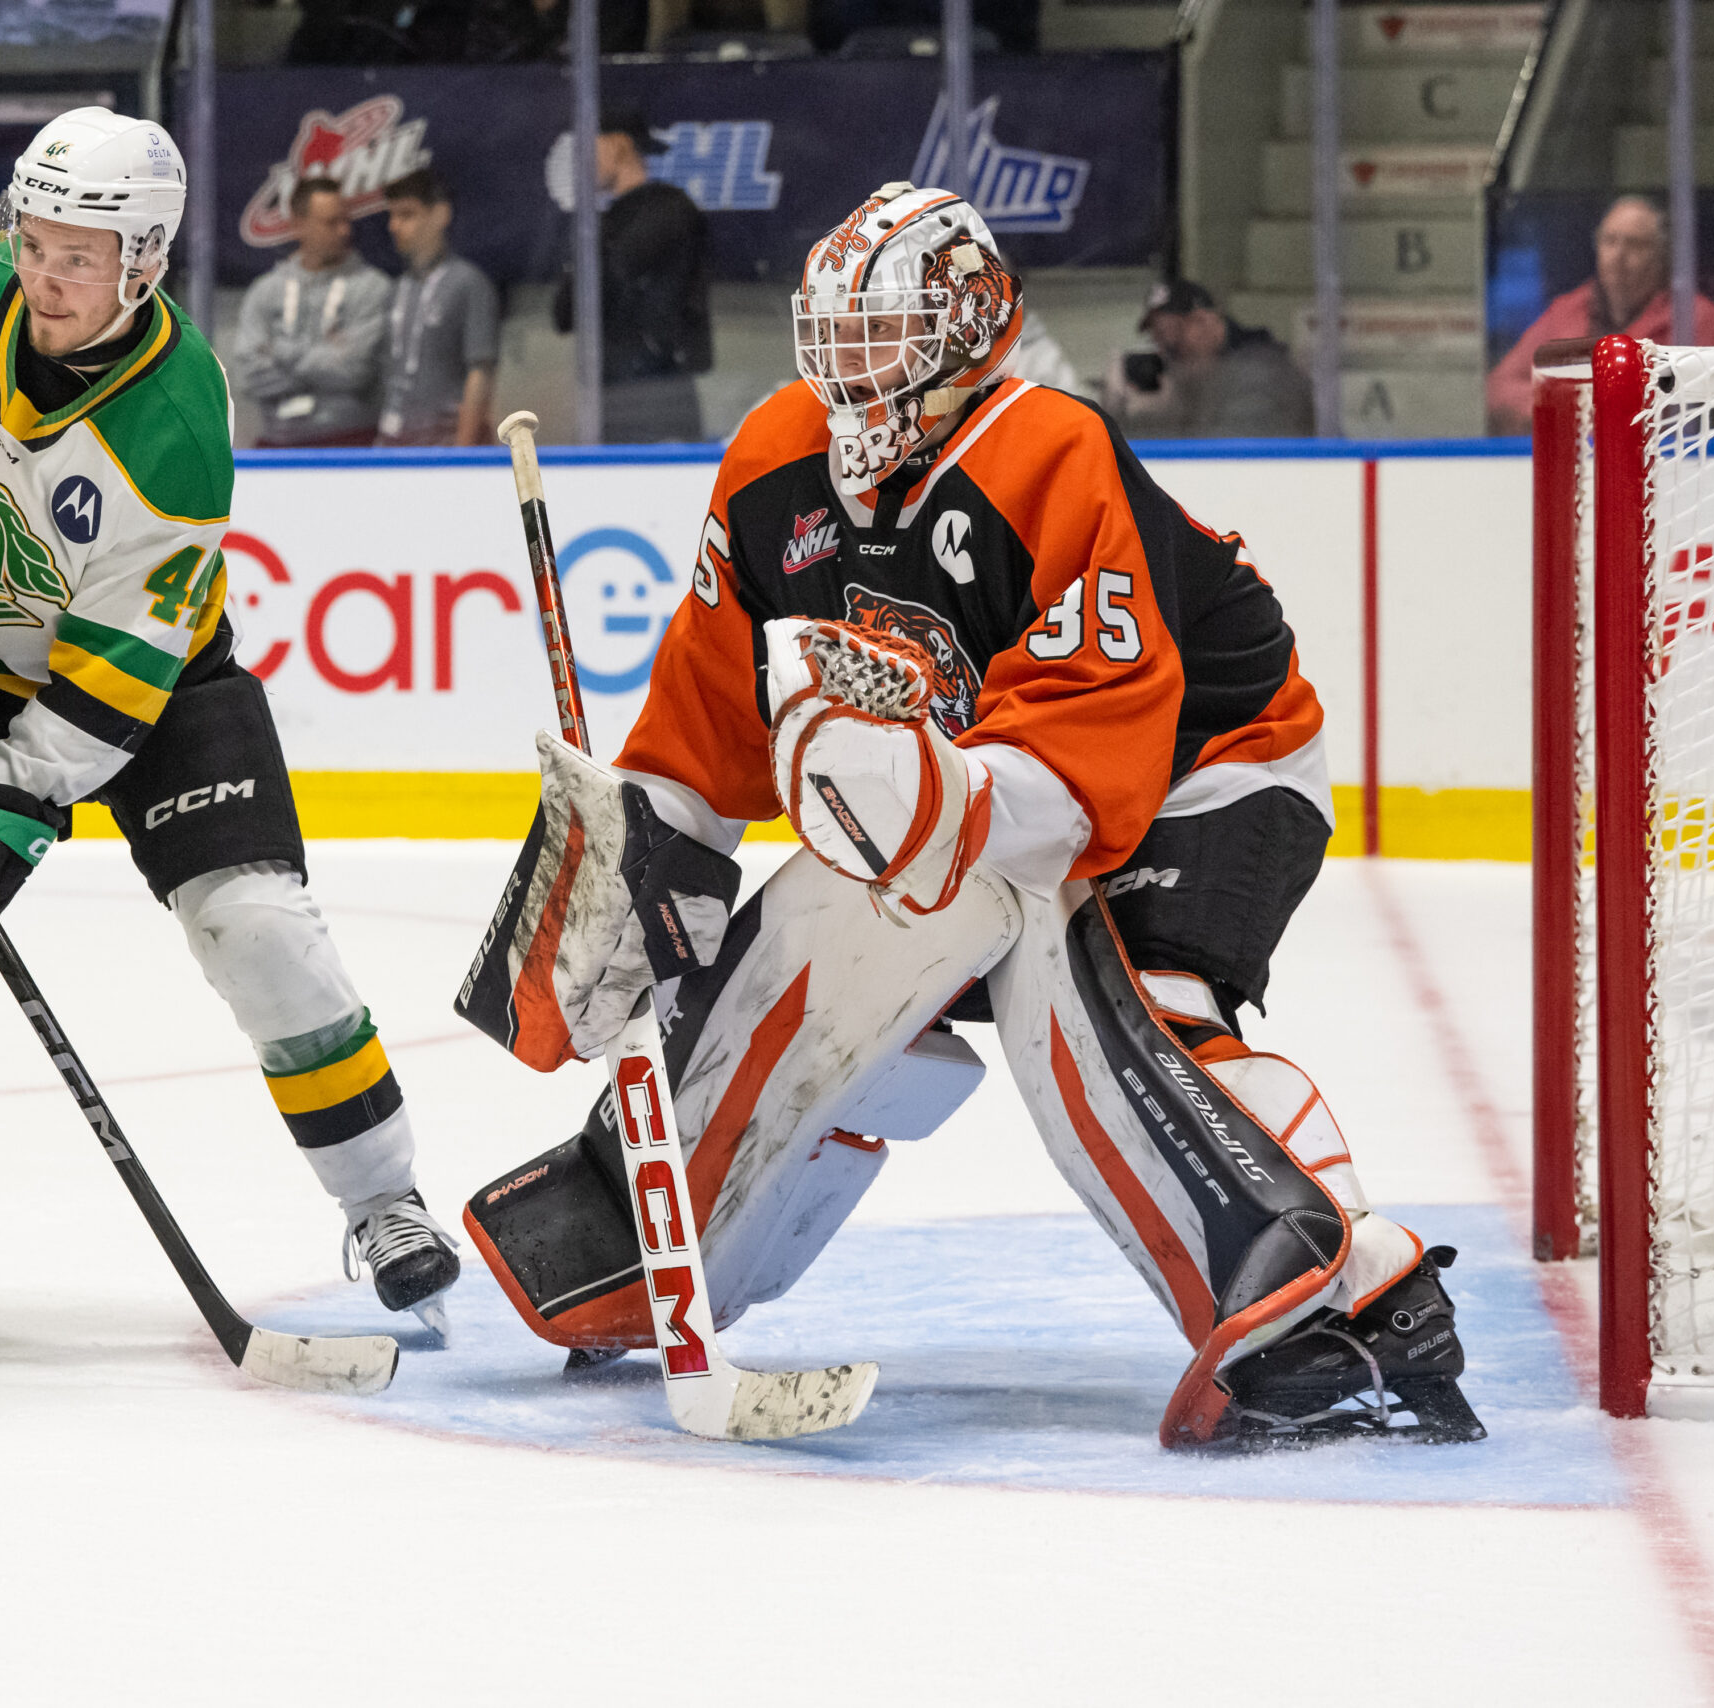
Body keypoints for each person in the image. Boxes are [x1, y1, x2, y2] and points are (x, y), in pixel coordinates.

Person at [459, 182, 1483, 1448]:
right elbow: (709, 720)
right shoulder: (776, 463)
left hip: (1204, 771)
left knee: (1121, 998)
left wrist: (924, 804)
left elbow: (1078, 775)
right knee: (814, 948)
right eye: (832, 335)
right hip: (984, 790)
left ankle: (1341, 1294)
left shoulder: (1048, 448)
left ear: (971, 324)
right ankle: (655, 1221)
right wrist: (637, 866)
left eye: (882, 336)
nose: (849, 370)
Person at [0, 108, 459, 1330]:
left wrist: (15, 809)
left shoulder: (177, 424)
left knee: (257, 927)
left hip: (156, 685)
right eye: (33, 242)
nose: (46, 274)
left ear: (145, 259)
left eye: (79, 254)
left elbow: (115, 670)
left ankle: (381, 1196)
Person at [1486, 193, 1714, 434]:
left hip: (1670, 466)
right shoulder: (1566, 312)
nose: (1618, 255)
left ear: (1660, 255)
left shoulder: (1697, 318)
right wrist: (1566, 406)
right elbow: (1500, 387)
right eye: (1610, 241)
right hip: (1577, 463)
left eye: (1634, 244)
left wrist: (1620, 408)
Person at [553, 108, 713, 443]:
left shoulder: (669, 210)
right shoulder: (605, 223)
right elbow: (565, 312)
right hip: (609, 396)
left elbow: (618, 270)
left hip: (658, 395)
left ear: (617, 146)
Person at [228, 176, 392, 447]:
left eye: (345, 220)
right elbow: (248, 376)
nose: (343, 231)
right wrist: (324, 361)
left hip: (349, 443)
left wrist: (279, 350)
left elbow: (353, 372)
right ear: (298, 224)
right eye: (331, 222)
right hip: (276, 443)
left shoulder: (373, 287)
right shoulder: (266, 290)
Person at [376, 168, 501, 447]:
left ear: (440, 215)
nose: (394, 226)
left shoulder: (469, 284)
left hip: (444, 442)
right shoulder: (397, 289)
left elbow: (480, 372)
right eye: (392, 216)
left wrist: (462, 452)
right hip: (395, 440)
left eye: (406, 215)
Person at [1103, 277, 1312, 438]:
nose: (1165, 354)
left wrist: (1165, 415)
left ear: (1203, 322)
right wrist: (1116, 411)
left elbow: (1224, 457)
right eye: (1156, 339)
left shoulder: (1261, 374)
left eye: (1172, 338)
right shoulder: (1208, 376)